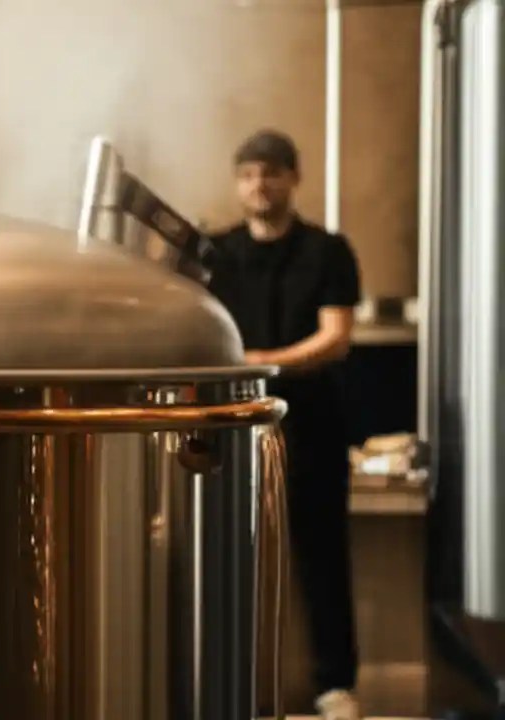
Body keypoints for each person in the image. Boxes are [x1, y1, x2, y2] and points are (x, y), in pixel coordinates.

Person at [206, 130, 362, 720]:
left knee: (323, 556)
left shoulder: (328, 250)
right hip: (231, 426)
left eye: (271, 172)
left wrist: (259, 363)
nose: (260, 185)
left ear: (294, 178)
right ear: (237, 183)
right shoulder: (215, 254)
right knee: (226, 553)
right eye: (249, 174)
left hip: (312, 423)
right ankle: (226, 678)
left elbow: (336, 336)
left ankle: (335, 687)